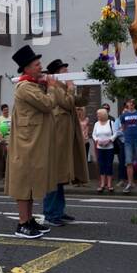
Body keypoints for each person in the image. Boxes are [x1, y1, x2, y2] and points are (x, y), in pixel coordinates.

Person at [5, 46, 54, 238]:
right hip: (26, 144)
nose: (41, 66)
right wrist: (50, 87)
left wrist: (44, 85)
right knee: (24, 184)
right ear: (27, 68)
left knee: (31, 183)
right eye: (37, 64)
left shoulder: (32, 85)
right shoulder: (25, 87)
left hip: (33, 142)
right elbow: (47, 104)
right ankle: (22, 223)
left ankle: (30, 219)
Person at [43, 59, 87, 226]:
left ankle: (58, 211)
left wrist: (87, 85)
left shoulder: (64, 89)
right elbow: (68, 103)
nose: (68, 74)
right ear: (57, 74)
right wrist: (71, 87)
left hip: (66, 138)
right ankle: (50, 214)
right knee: (55, 175)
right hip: (57, 138)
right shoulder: (54, 88)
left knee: (60, 176)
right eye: (64, 71)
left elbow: (81, 102)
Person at [118, 99, 137, 192]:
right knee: (128, 162)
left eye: (133, 103)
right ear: (127, 104)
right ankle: (129, 183)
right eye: (130, 102)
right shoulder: (123, 115)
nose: (131, 104)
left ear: (134, 104)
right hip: (128, 141)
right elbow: (123, 128)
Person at [91, 108, 116, 193]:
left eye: (98, 114)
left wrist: (109, 140)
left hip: (109, 148)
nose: (97, 116)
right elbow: (93, 134)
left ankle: (109, 184)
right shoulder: (96, 124)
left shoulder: (111, 123)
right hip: (100, 147)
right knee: (101, 165)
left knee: (109, 165)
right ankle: (102, 184)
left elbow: (115, 133)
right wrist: (97, 140)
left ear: (103, 115)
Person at [0, 103, 11, 179]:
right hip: (2, 141)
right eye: (4, 110)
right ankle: (2, 175)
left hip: (10, 141)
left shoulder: (11, 118)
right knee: (3, 158)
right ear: (2, 111)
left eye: (7, 110)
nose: (6, 111)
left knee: (10, 158)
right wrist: (1, 138)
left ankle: (9, 175)